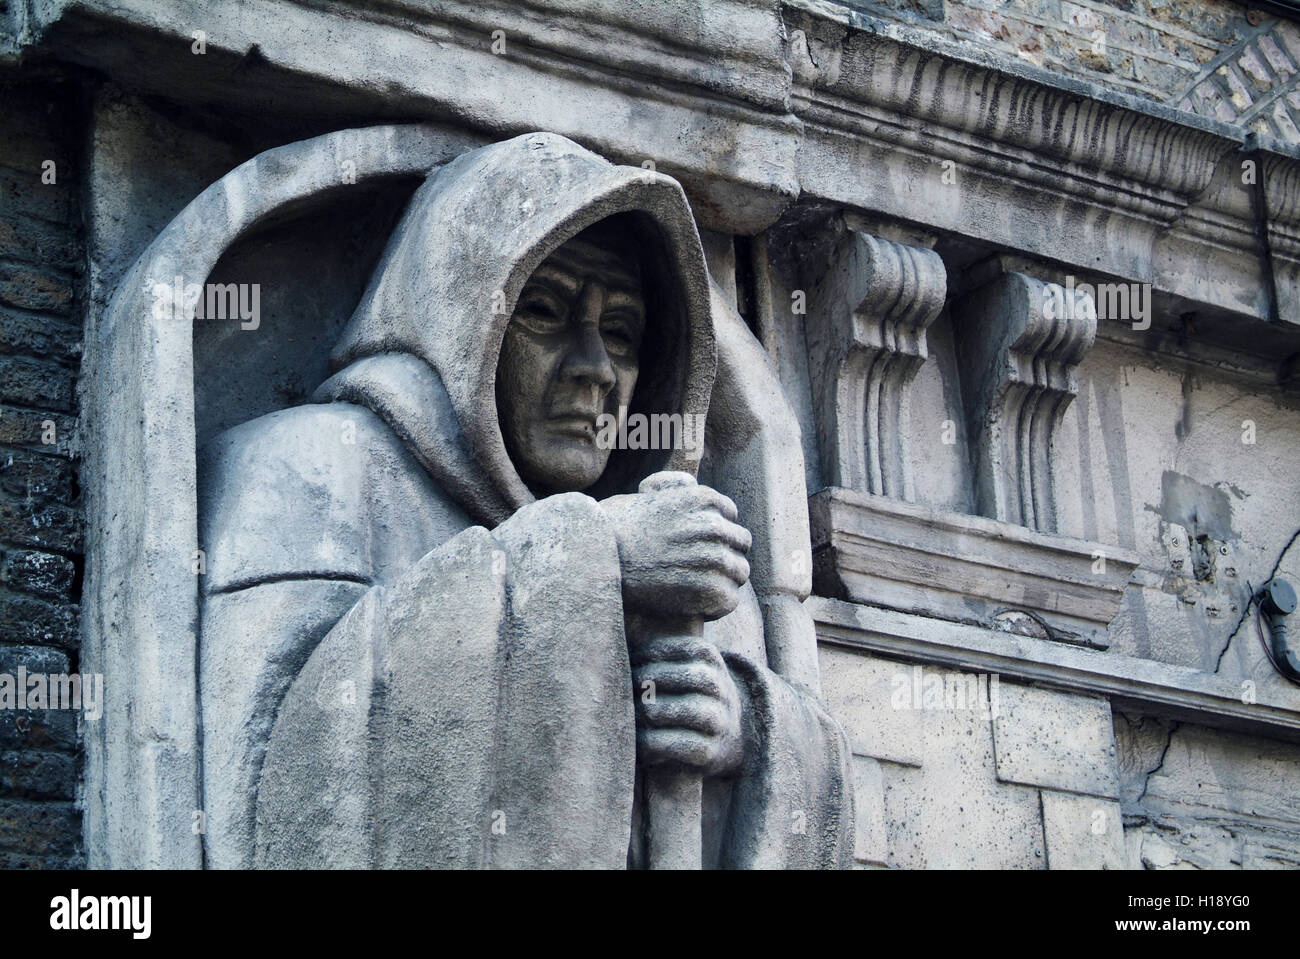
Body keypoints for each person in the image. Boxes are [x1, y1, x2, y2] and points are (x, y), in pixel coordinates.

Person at [197, 133, 852, 868]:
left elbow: (813, 796)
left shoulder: (683, 551)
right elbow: (268, 783)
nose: (595, 369)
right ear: (459, 317)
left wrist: (747, 736)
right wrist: (590, 560)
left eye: (622, 332)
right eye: (544, 310)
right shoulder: (315, 470)